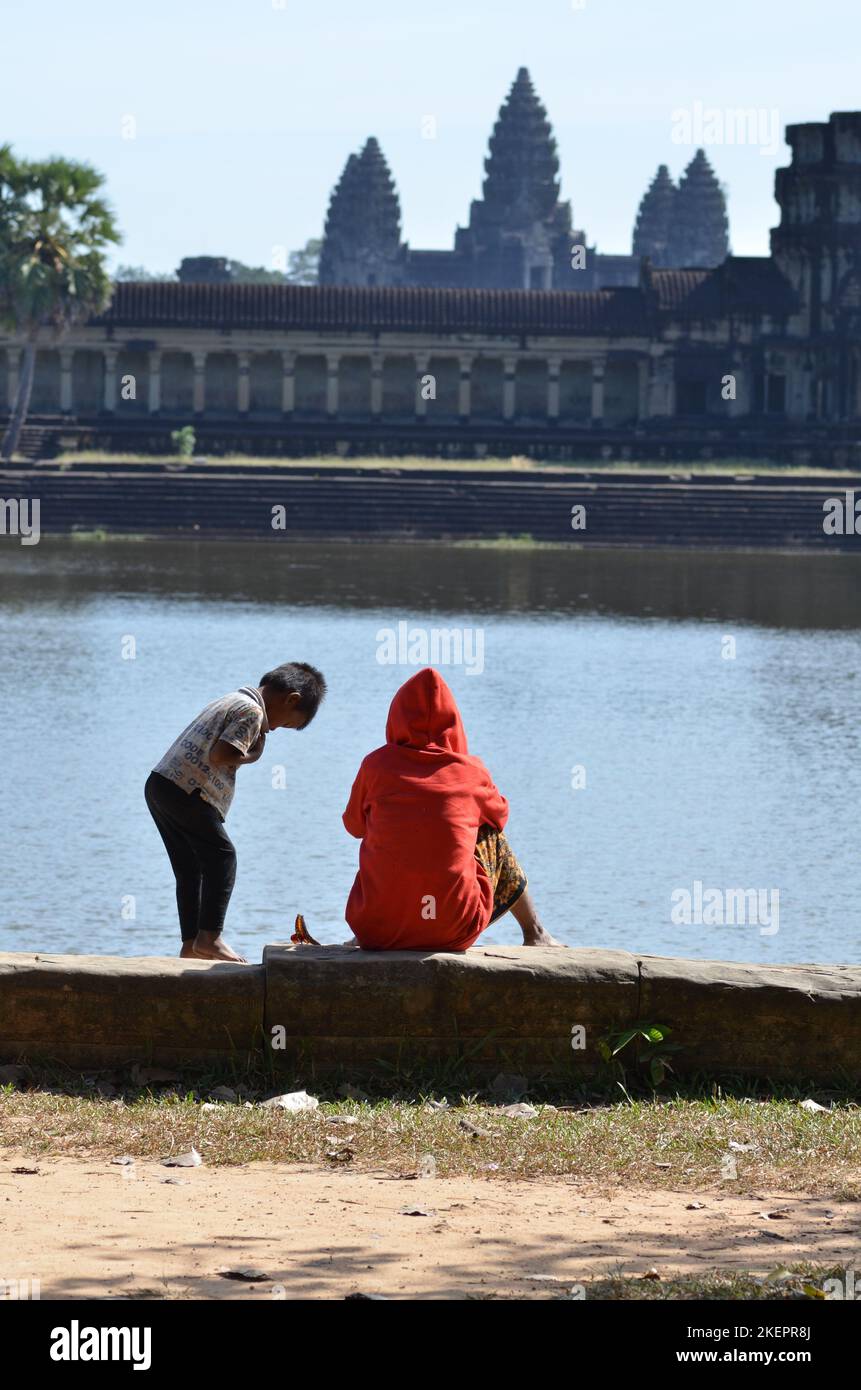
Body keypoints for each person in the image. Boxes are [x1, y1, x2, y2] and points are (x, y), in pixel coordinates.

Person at [342, 667, 559, 951]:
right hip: (453, 930)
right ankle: (536, 934)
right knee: (488, 832)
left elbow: (353, 826)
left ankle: (384, 918)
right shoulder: (472, 771)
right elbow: (500, 816)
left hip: (375, 931)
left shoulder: (375, 766)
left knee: (385, 831)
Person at [145, 662, 327, 962]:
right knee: (222, 856)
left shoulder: (231, 699)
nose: (275, 729)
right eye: (285, 724)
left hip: (162, 785)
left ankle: (191, 945)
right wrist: (256, 753)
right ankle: (210, 938)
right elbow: (222, 754)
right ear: (291, 699)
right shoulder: (253, 712)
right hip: (190, 791)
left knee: (190, 868)